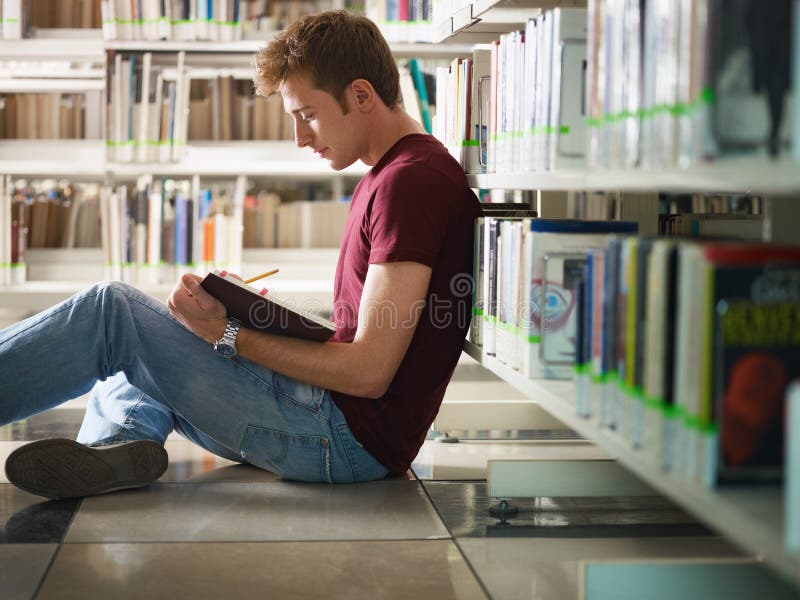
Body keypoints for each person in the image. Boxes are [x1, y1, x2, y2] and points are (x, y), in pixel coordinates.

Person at [0, 10, 481, 499]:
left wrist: (228, 334)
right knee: (146, 349)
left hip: (342, 441)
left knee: (112, 312)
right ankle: (120, 446)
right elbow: (362, 327)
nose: (301, 138)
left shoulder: (411, 182)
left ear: (360, 95)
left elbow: (369, 372)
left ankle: (121, 437)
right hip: (336, 426)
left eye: (308, 115)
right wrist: (243, 311)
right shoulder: (393, 173)